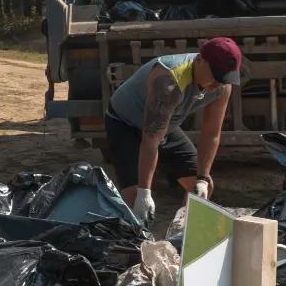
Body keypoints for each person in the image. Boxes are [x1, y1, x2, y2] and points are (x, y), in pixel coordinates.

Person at [104, 37, 246, 226]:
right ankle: (134, 250)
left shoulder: (221, 86)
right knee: (134, 198)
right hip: (125, 123)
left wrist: (203, 178)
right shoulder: (169, 79)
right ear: (199, 60)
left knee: (201, 188)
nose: (217, 84)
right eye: (216, 75)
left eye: (224, 78)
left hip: (164, 126)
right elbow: (150, 139)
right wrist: (144, 193)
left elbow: (211, 133)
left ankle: (183, 238)